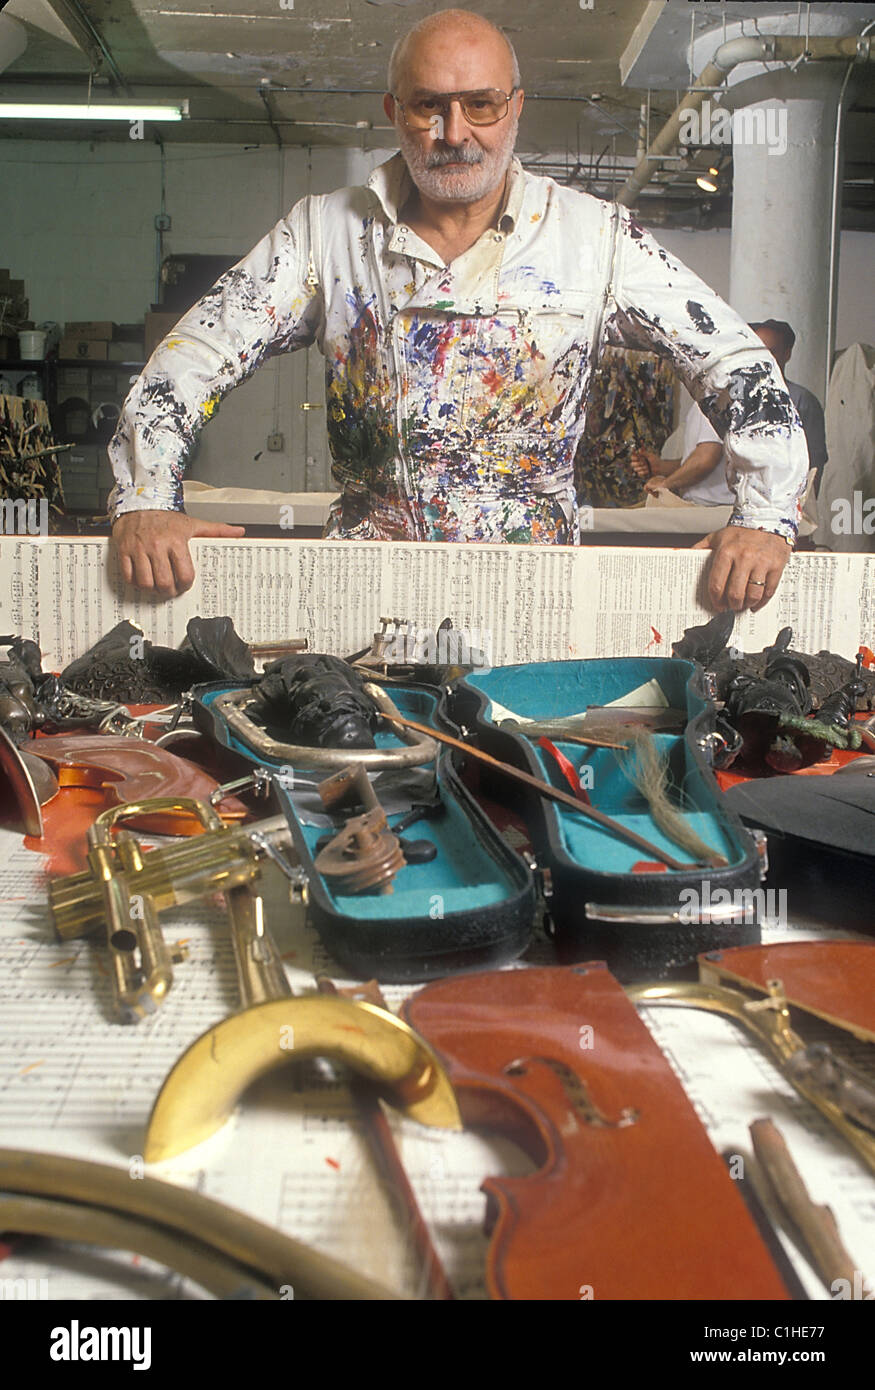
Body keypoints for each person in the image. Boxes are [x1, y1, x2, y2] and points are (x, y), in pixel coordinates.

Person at [109, 8, 808, 614]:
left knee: (515, 766)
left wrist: (767, 515)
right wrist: (146, 497)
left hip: (532, 599)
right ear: (393, 111)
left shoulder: (592, 239)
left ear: (515, 107)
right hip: (362, 597)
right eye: (427, 106)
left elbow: (734, 358)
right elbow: (190, 360)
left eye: (481, 104)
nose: (454, 131)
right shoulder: (325, 233)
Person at [749, 320, 828, 495]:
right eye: (757, 350)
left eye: (771, 351)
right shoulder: (738, 397)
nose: (763, 357)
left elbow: (814, 463)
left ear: (787, 354)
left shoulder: (801, 401)